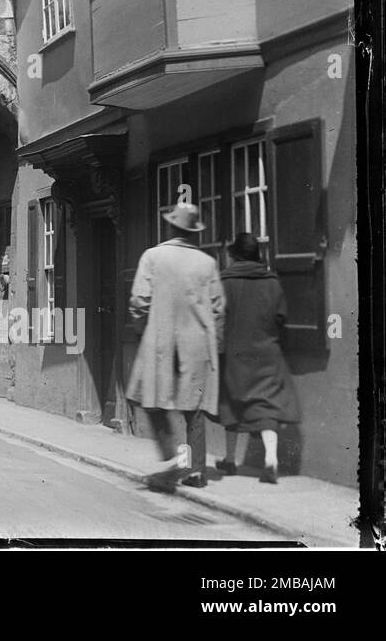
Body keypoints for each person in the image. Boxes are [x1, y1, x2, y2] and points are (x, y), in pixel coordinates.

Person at [127, 201, 226, 493]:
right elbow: (218, 309)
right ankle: (194, 470)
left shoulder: (153, 256)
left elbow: (139, 300)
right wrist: (216, 345)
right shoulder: (207, 263)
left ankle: (172, 451)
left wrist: (142, 328)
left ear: (171, 227)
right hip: (196, 344)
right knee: (192, 411)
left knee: (149, 397)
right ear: (194, 232)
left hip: (161, 340)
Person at [215, 232, 301, 484]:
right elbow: (281, 317)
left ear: (236, 255)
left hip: (235, 354)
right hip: (267, 352)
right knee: (266, 405)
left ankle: (230, 460)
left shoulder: (224, 282)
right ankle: (271, 461)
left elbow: (217, 317)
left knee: (231, 404)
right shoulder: (272, 281)